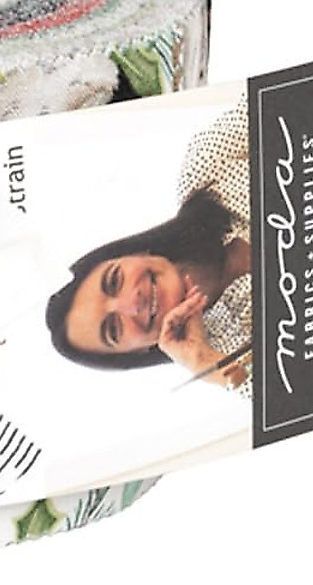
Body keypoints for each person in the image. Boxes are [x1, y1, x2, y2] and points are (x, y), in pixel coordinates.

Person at [44, 95, 252, 396]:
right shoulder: (232, 360)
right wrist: (202, 360)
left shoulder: (207, 168)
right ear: (140, 351)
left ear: (131, 253)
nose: (133, 303)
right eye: (114, 328)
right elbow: (301, 398)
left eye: (114, 281)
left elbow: (298, 97)